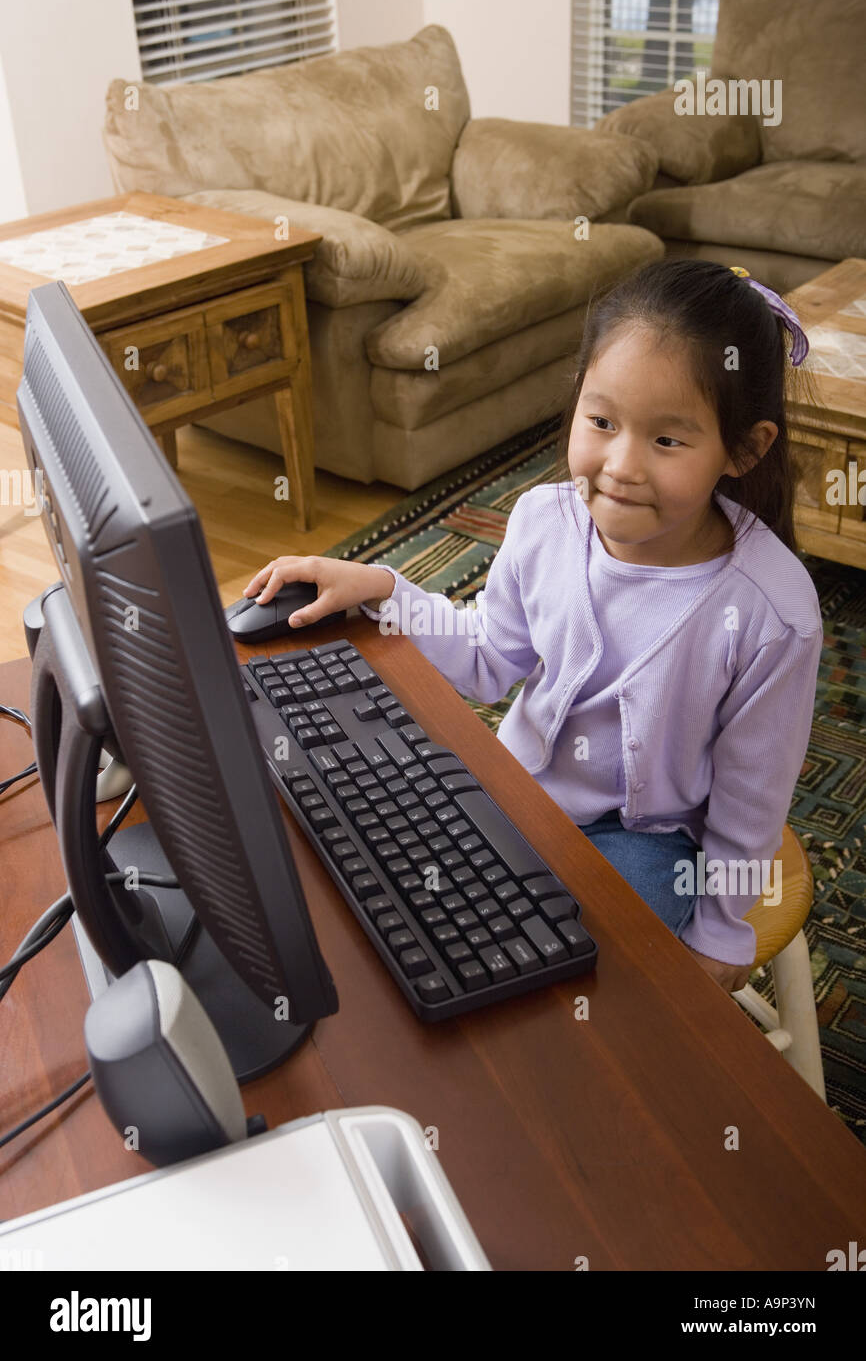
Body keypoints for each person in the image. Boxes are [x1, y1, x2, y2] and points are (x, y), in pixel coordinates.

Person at [243, 259, 824, 994]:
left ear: (744, 449)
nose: (620, 465)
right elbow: (488, 656)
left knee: (583, 968)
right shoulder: (542, 522)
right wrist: (382, 588)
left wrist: (720, 926)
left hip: (648, 839)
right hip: (514, 787)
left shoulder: (774, 615)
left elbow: (753, 797)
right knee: (389, 898)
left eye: (667, 442)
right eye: (602, 421)